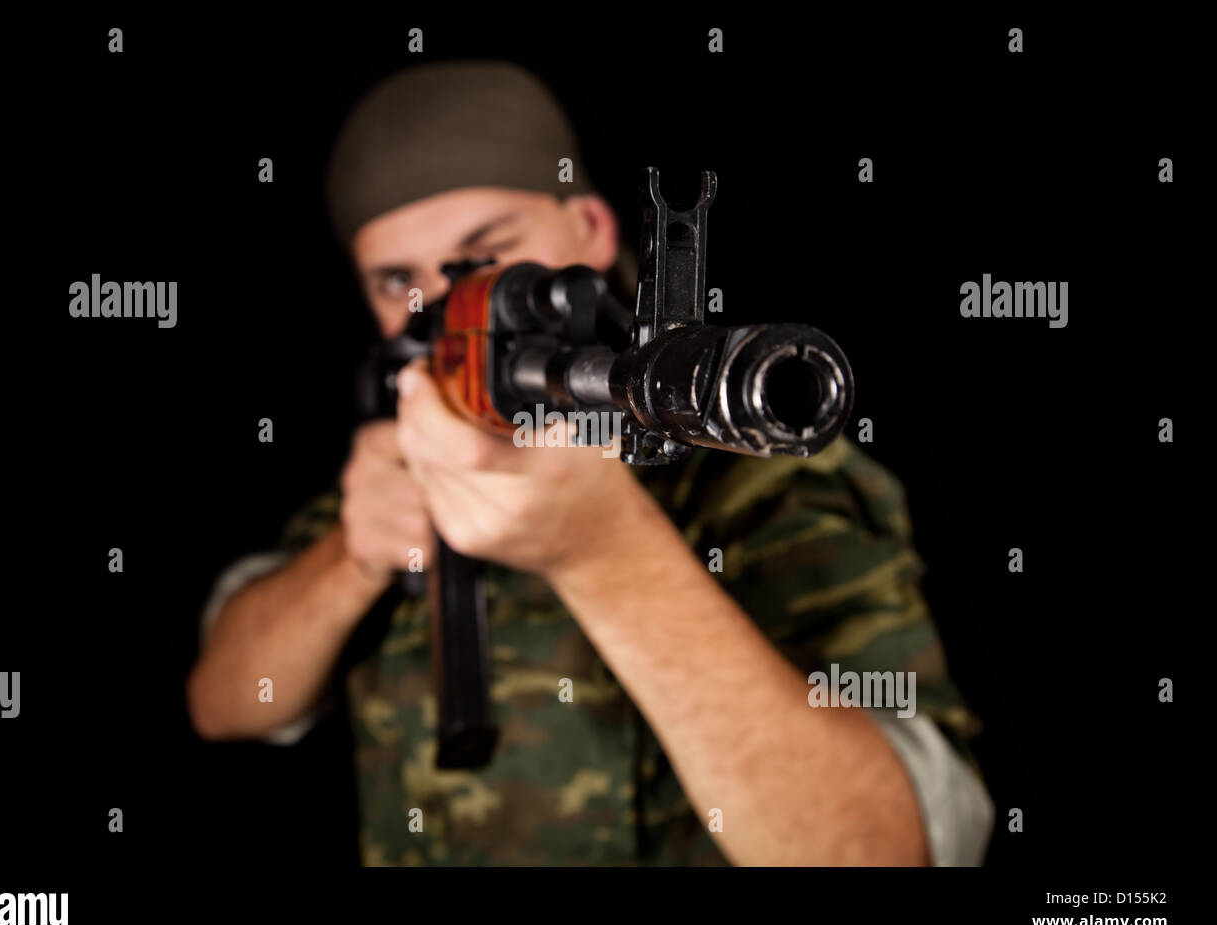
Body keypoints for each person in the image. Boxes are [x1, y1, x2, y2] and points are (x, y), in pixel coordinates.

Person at [186, 60, 993, 866]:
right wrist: (353, 559)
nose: (444, 304)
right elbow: (224, 703)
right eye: (398, 279)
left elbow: (902, 848)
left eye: (490, 251)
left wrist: (608, 554)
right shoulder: (386, 456)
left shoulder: (758, 478)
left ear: (594, 233)